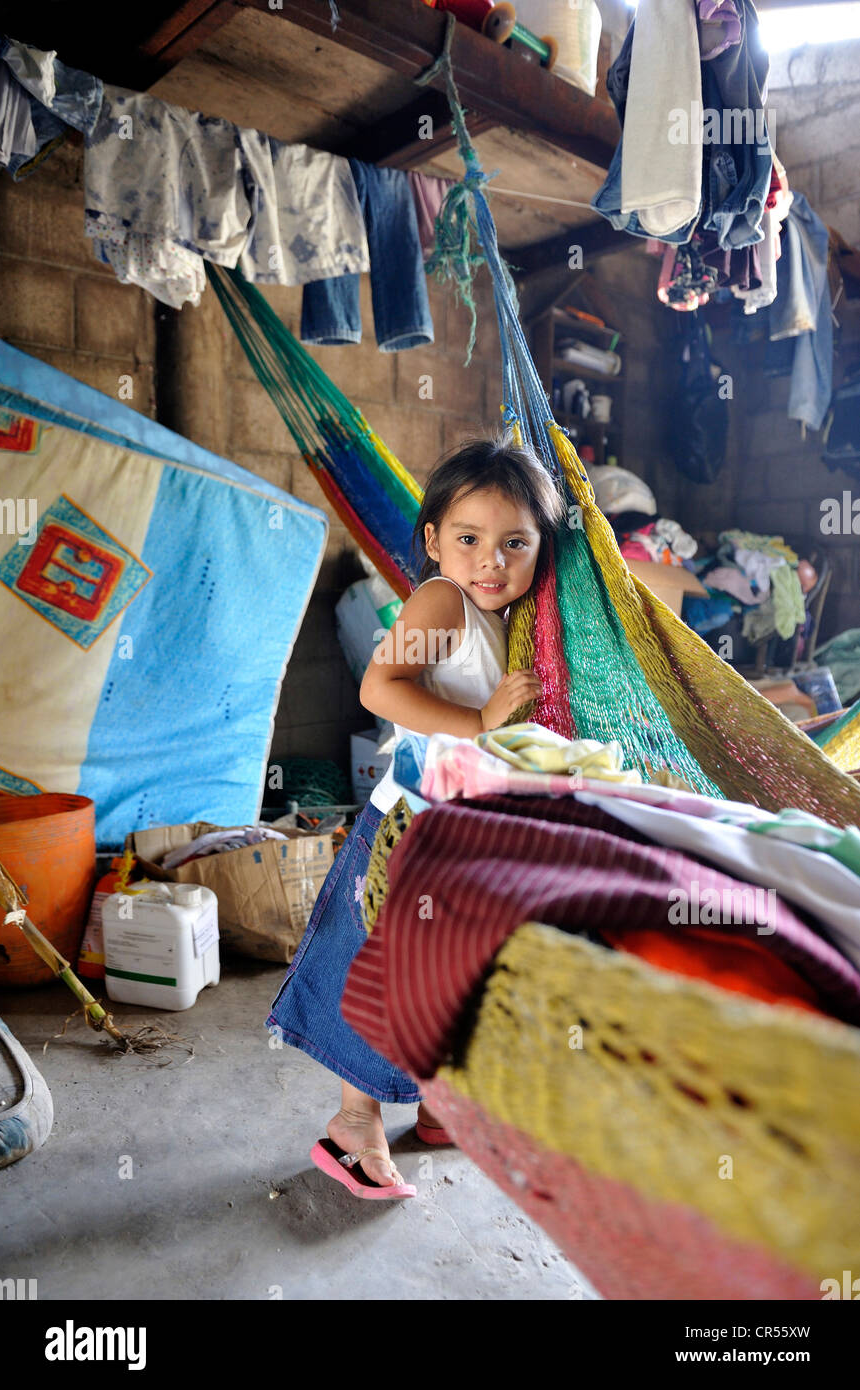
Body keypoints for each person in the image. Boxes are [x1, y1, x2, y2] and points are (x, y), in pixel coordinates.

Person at [265, 427, 565, 1196]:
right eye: (468, 539)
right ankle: (352, 1124)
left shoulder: (510, 619)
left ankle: (436, 1110)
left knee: (449, 975)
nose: (490, 562)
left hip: (461, 827)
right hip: (407, 828)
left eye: (514, 544)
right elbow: (379, 689)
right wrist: (481, 722)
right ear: (432, 540)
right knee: (382, 971)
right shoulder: (443, 600)